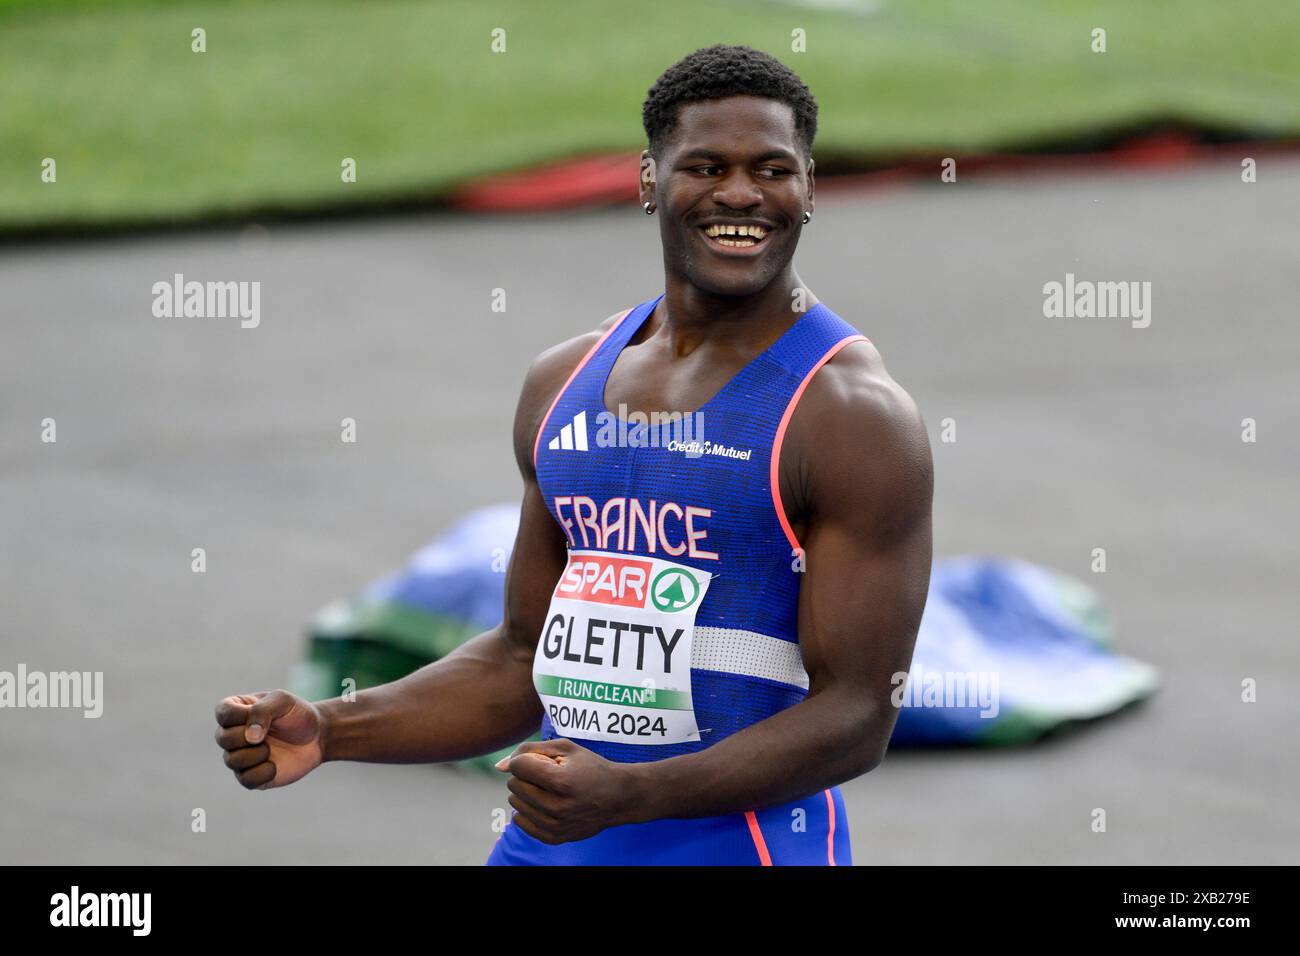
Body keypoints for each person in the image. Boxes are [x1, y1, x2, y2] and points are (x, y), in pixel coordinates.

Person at [215, 43, 933, 865]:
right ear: (647, 180)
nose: (741, 194)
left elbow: (858, 715)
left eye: (773, 170)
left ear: (809, 190)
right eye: (705, 166)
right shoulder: (563, 383)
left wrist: (635, 795)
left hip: (741, 850)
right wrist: (333, 728)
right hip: (552, 844)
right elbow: (524, 654)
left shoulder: (850, 417)